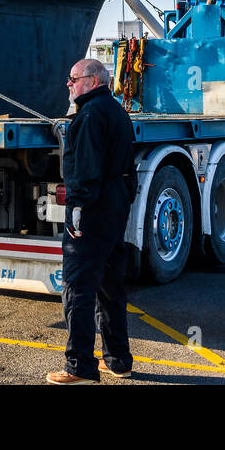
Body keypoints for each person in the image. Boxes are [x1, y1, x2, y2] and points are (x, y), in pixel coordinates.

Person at [47, 58, 137, 385]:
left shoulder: (88, 115)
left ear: (94, 80)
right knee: (111, 286)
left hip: (93, 209)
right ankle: (118, 360)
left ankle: (80, 367)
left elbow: (84, 170)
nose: (68, 84)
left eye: (73, 78)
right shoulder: (116, 111)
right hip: (114, 207)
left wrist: (76, 210)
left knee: (79, 288)